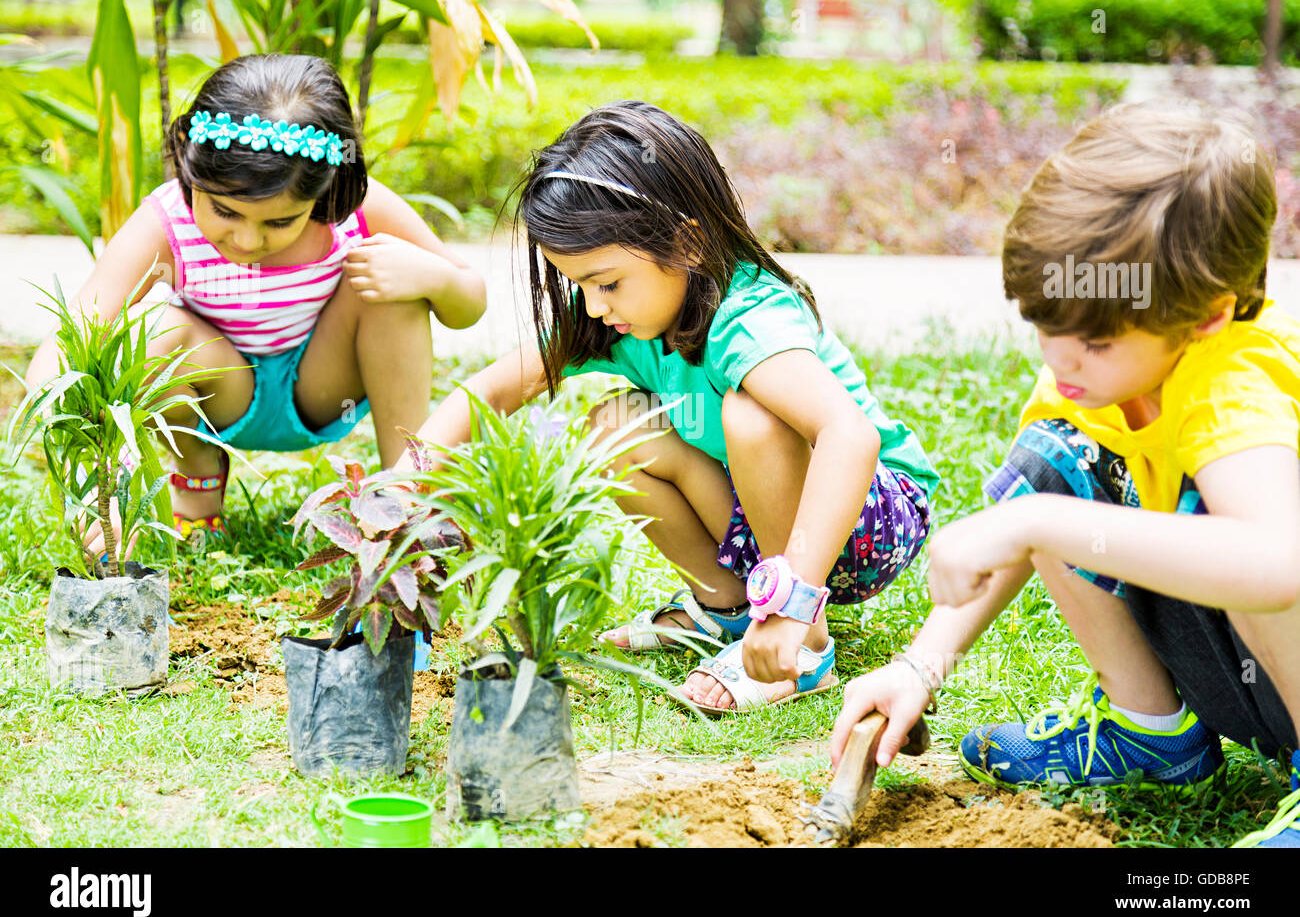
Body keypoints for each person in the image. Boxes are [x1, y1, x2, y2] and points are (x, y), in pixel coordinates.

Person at [830, 101, 1300, 847]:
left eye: (1097, 339)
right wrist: (919, 668)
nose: (1061, 358)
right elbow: (1032, 511)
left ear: (1207, 313)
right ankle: (1151, 736)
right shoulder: (1092, 381)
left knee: (1217, 522)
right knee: (1054, 464)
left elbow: (1280, 564)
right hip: (1257, 677)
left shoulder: (1234, 383)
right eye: (1047, 324)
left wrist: (1034, 523)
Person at [405, 100, 938, 713]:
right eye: (580, 285)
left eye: (606, 282)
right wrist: (405, 497)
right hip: (766, 518)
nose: (596, 305)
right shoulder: (623, 322)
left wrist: (796, 600)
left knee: (753, 414)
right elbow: (493, 391)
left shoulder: (750, 318)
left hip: (869, 519)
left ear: (685, 244)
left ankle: (804, 644)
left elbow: (850, 436)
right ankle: (726, 610)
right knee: (613, 426)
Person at [24, 53, 486, 543]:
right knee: (155, 329)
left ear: (324, 186)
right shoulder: (166, 220)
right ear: (186, 157)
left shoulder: (357, 210)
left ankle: (405, 493)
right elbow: (68, 344)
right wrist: (96, 486)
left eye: (280, 221)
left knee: (394, 285)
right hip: (217, 393)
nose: (246, 242)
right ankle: (197, 478)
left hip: (326, 388)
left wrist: (434, 280)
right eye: (224, 211)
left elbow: (470, 302)